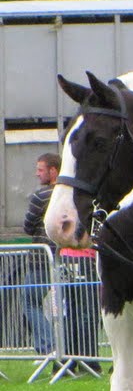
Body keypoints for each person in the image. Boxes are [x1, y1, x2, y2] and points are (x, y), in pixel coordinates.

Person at [20, 152, 60, 355]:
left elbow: (28, 226)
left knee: (29, 302)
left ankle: (48, 346)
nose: (37, 174)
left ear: (53, 171)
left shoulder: (41, 196)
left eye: (40, 169)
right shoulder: (69, 194)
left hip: (40, 260)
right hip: (64, 257)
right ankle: (51, 347)